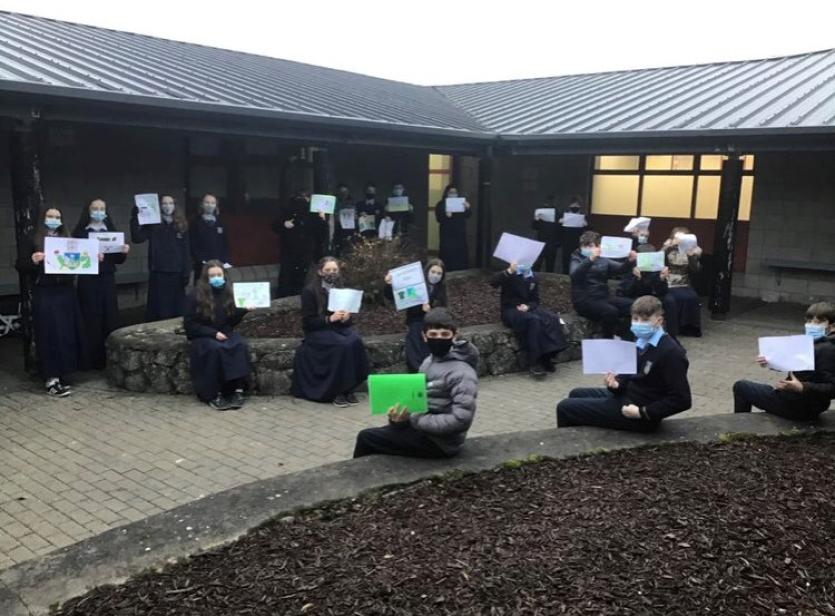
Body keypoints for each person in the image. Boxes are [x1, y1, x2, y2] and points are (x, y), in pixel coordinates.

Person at [353, 307, 478, 458]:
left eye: (445, 334)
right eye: (433, 334)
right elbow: (419, 401)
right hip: (423, 431)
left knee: (367, 438)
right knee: (379, 434)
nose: (438, 338)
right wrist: (400, 420)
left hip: (440, 443)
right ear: (424, 336)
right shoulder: (428, 361)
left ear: (455, 336)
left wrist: (415, 419)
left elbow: (461, 420)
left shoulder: (462, 372)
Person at [556, 295, 691, 432]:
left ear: (659, 321)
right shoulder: (640, 342)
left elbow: (682, 399)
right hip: (627, 396)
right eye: (635, 319)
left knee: (565, 407)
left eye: (645, 320)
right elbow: (627, 379)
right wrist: (615, 385)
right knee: (576, 393)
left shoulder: (671, 352)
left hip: (639, 413)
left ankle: (569, 449)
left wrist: (643, 412)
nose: (638, 324)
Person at [15, 208, 87, 396]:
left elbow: (78, 261)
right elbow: (21, 265)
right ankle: (50, 377)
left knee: (66, 333)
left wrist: (90, 259)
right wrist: (34, 260)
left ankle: (65, 372)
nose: (54, 220)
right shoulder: (32, 238)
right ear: (43, 219)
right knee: (48, 334)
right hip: (45, 292)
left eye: (57, 217)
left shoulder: (67, 238)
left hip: (65, 291)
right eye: (50, 217)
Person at [733, 302, 835, 420]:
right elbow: (798, 364)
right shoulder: (816, 343)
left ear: (832, 325)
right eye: (809, 321)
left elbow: (832, 387)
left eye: (818, 322)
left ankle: (739, 426)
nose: (811, 325)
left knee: (741, 387)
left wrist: (802, 387)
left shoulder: (828, 349)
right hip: (805, 402)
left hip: (798, 405)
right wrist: (770, 362)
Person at [290, 256, 370, 407]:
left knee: (355, 341)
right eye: (328, 270)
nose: (331, 273)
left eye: (334, 270)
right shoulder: (310, 291)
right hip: (318, 331)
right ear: (320, 272)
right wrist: (329, 319)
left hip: (339, 328)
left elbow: (349, 316)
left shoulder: (341, 288)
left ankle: (349, 388)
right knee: (342, 345)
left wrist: (347, 317)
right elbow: (308, 322)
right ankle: (338, 390)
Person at [183, 260, 251, 411]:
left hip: (224, 332)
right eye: (212, 275)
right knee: (214, 349)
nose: (216, 278)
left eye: (219, 275)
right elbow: (189, 324)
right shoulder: (195, 295)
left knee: (239, 344)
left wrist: (243, 310)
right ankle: (214, 394)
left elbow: (230, 320)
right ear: (206, 277)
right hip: (203, 335)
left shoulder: (227, 292)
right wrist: (213, 333)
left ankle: (237, 390)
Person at [73, 199, 129, 369]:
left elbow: (118, 259)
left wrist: (123, 251)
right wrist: (90, 256)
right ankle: (91, 359)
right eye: (95, 208)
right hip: (88, 279)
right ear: (88, 211)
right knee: (91, 317)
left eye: (102, 208)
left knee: (109, 315)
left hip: (107, 278)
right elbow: (74, 256)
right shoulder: (81, 232)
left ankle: (110, 358)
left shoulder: (110, 230)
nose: (98, 211)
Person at [490, 260, 568, 377]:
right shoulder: (511, 275)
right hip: (511, 310)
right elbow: (493, 282)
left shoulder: (533, 277)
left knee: (552, 318)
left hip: (528, 308)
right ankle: (534, 362)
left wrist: (528, 306)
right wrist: (510, 270)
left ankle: (548, 356)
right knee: (533, 321)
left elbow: (535, 300)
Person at [131, 194, 191, 322]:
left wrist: (186, 272)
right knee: (159, 309)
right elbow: (137, 238)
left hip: (177, 272)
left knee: (177, 309)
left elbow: (186, 250)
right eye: (164, 204)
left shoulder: (181, 224)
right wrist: (136, 217)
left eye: (170, 203)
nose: (167, 206)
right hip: (158, 271)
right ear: (159, 206)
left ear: (175, 206)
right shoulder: (153, 223)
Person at [384, 258, 448, 372]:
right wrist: (389, 284)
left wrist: (431, 311)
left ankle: (434, 369)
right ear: (427, 271)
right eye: (433, 272)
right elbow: (394, 296)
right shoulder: (416, 285)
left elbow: (444, 311)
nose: (435, 275)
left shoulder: (441, 290)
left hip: (434, 322)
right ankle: (417, 369)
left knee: (434, 337)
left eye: (439, 273)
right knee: (416, 336)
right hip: (416, 320)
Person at [570, 230, 636, 339]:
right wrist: (590, 259)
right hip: (584, 299)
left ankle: (624, 337)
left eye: (591, 246)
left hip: (602, 296)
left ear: (598, 246)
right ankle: (607, 340)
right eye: (584, 246)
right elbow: (574, 275)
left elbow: (620, 269)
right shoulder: (576, 257)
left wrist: (630, 261)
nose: (587, 248)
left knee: (633, 306)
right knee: (611, 311)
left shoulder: (603, 260)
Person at [662, 227, 702, 337]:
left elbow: (696, 270)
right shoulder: (667, 248)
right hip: (668, 281)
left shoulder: (692, 250)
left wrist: (691, 256)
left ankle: (689, 328)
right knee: (674, 298)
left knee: (692, 298)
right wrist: (667, 247)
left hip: (684, 281)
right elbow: (658, 260)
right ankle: (675, 327)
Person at [273, 190, 314, 298]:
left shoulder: (311, 213)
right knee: (286, 278)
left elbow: (319, 232)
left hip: (304, 251)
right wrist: (284, 224)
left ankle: (296, 298)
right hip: (289, 251)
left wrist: (322, 219)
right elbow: (275, 225)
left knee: (299, 279)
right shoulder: (287, 210)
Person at [189, 193, 230, 284]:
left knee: (218, 290)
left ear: (216, 205)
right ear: (202, 204)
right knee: (201, 290)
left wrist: (225, 260)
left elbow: (225, 243)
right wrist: (200, 259)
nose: (210, 205)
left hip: (218, 265)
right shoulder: (195, 222)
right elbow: (192, 243)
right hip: (202, 265)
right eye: (207, 202)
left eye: (212, 203)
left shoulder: (221, 222)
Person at [436, 184, 472, 271]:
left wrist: (468, 208)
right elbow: (438, 218)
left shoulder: (461, 203)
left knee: (459, 253)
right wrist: (446, 215)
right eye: (451, 192)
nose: (453, 194)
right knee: (447, 253)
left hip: (459, 233)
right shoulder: (441, 204)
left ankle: (460, 270)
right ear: (446, 193)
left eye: (455, 192)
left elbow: (468, 215)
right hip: (447, 234)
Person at [531, 195, 560, 273]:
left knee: (547, 264)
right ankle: (537, 279)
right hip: (546, 242)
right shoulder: (542, 212)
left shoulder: (557, 213)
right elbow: (534, 226)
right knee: (542, 264)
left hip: (547, 241)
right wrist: (536, 219)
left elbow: (534, 226)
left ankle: (536, 280)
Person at [559, 195, 587, 274]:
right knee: (566, 260)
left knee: (577, 259)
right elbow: (559, 230)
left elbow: (588, 228)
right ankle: (565, 273)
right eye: (573, 205)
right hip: (566, 242)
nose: (575, 207)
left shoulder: (583, 217)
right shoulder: (564, 217)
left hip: (577, 242)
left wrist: (585, 224)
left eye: (577, 205)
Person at [332, 183, 355, 256]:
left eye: (345, 192)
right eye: (342, 192)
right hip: (338, 229)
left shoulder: (352, 202)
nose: (344, 194)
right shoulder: (335, 202)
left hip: (349, 230)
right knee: (338, 250)